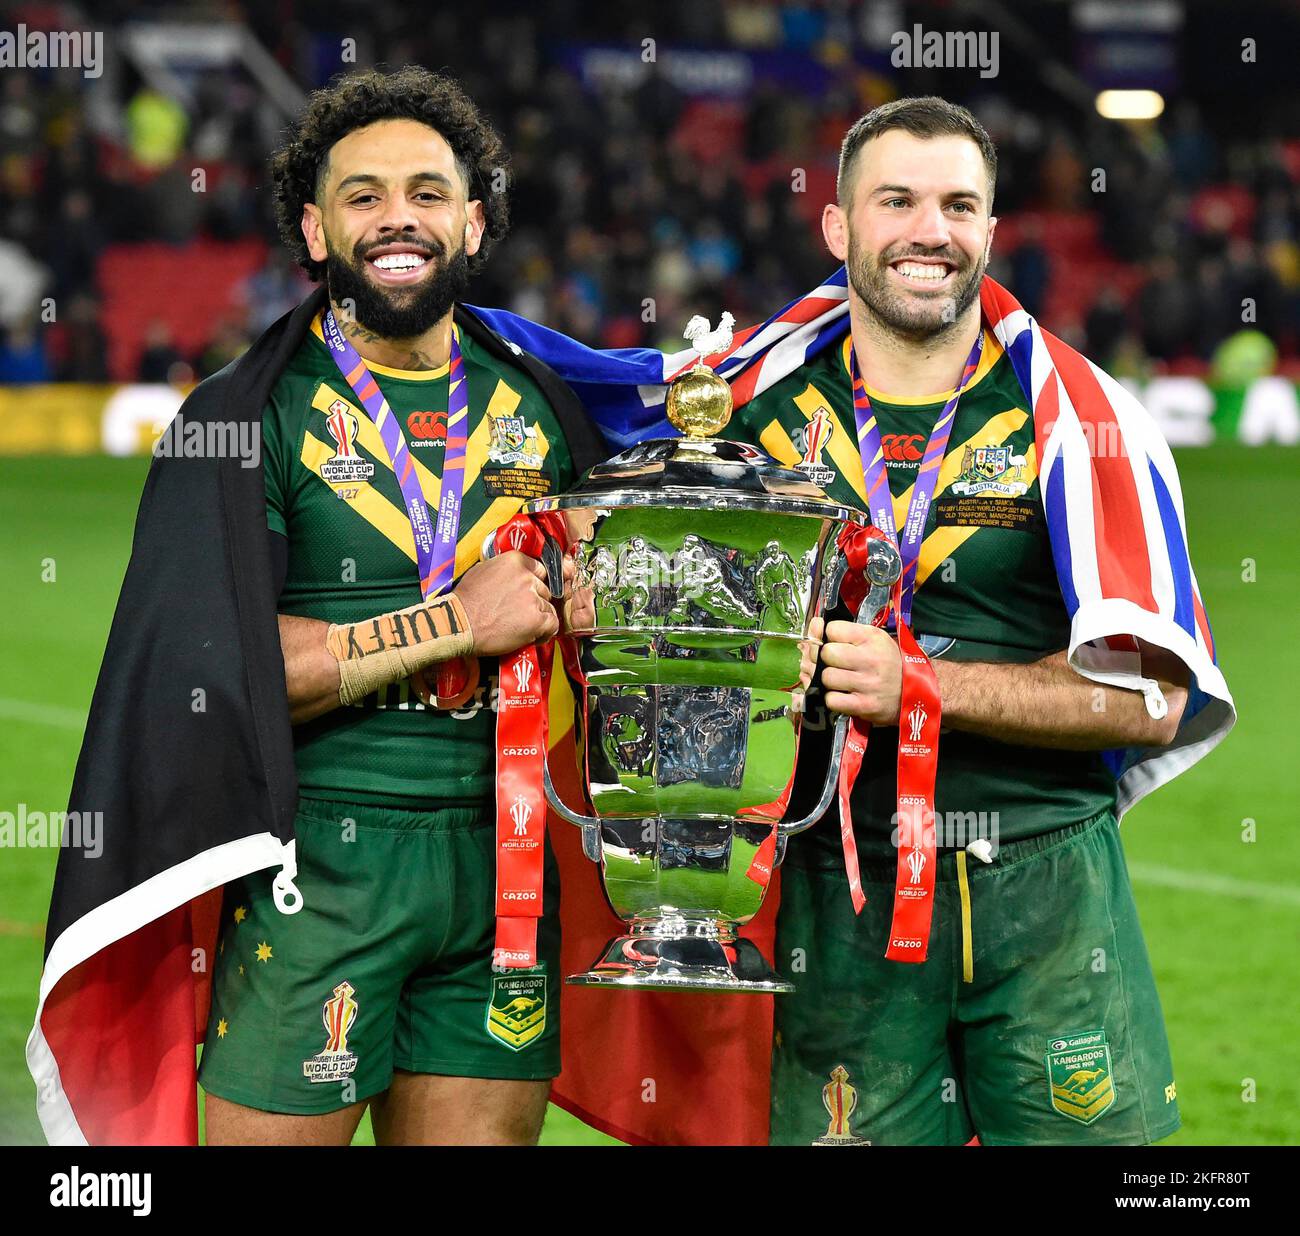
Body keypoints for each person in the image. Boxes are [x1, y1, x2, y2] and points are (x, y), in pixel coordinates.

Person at [29, 66, 602, 1147]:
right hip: (317, 872)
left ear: (473, 222)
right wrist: (454, 621)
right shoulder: (247, 418)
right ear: (313, 225)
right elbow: (215, 684)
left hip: (505, 875)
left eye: (429, 193)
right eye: (364, 194)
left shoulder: (541, 404)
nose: (399, 218)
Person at [711, 96, 1234, 1145]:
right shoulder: (746, 414)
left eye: (959, 205)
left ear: (991, 229)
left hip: (1042, 887)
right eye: (895, 200)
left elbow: (1153, 703)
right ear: (838, 227)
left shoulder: (1083, 420)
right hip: (838, 889)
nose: (928, 231)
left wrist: (923, 687)